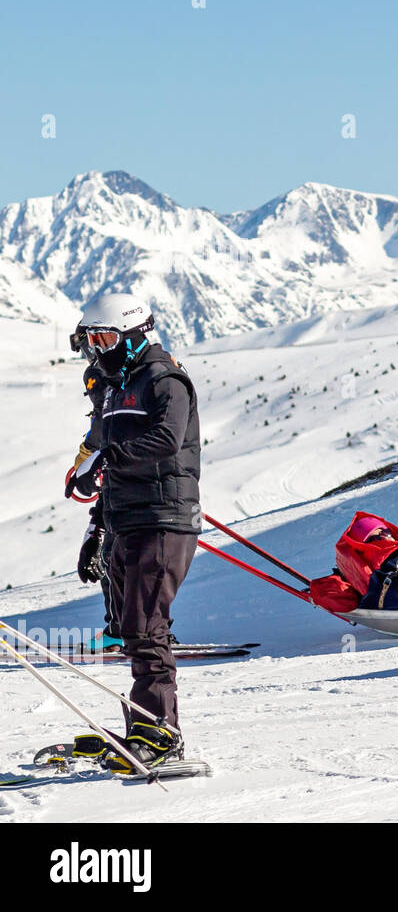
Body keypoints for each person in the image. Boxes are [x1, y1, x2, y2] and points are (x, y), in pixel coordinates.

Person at [65, 293, 201, 770]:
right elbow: (107, 464)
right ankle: (142, 725)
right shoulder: (114, 387)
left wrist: (109, 458)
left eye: (105, 338)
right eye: (90, 341)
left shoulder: (165, 380)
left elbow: (166, 440)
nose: (97, 349)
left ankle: (162, 734)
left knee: (146, 627)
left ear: (134, 333)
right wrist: (96, 530)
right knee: (129, 629)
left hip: (164, 518)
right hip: (126, 519)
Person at [65, 334, 121, 652]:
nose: (89, 353)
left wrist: (89, 454)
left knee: (118, 555)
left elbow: (105, 421)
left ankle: (127, 630)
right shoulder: (125, 370)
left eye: (91, 343)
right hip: (129, 476)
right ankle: (136, 629)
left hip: (127, 476)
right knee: (125, 555)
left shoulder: (104, 373)